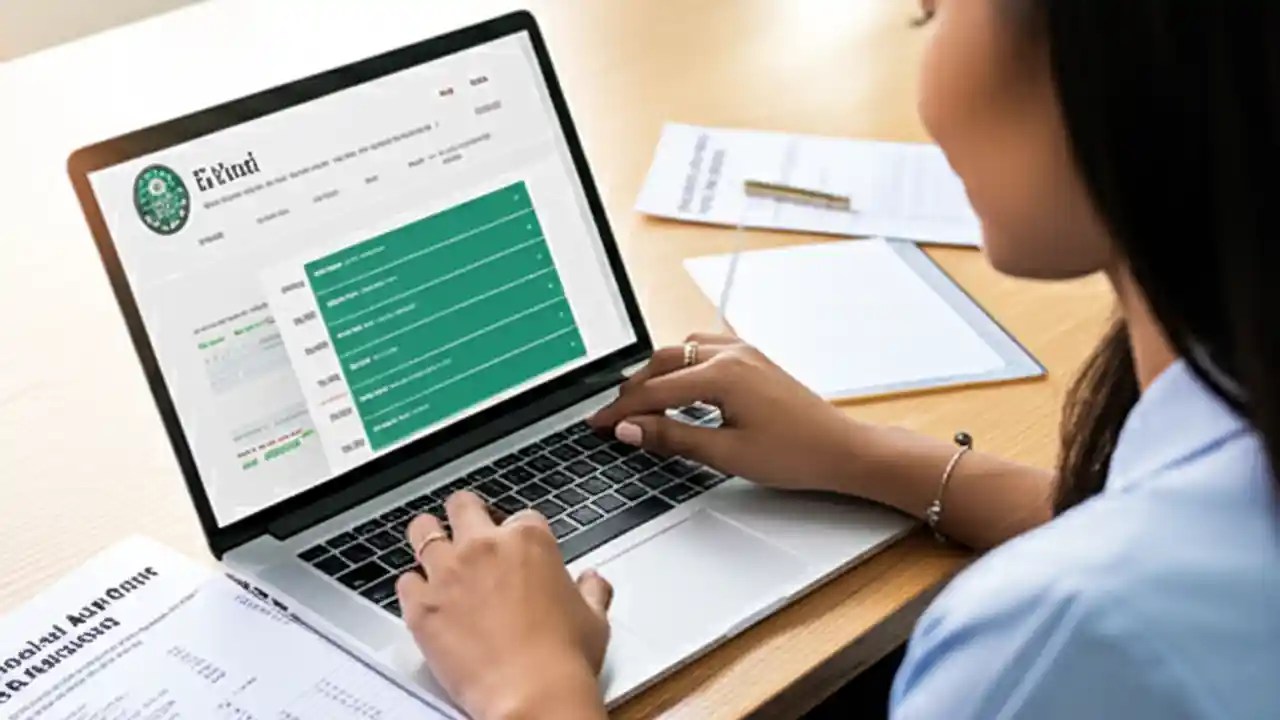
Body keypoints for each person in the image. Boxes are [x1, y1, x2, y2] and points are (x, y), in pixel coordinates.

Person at [393, 0, 1280, 717]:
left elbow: (1119, 600)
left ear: (1109, 51)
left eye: (930, 13)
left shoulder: (1064, 639)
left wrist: (532, 689)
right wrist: (866, 457)